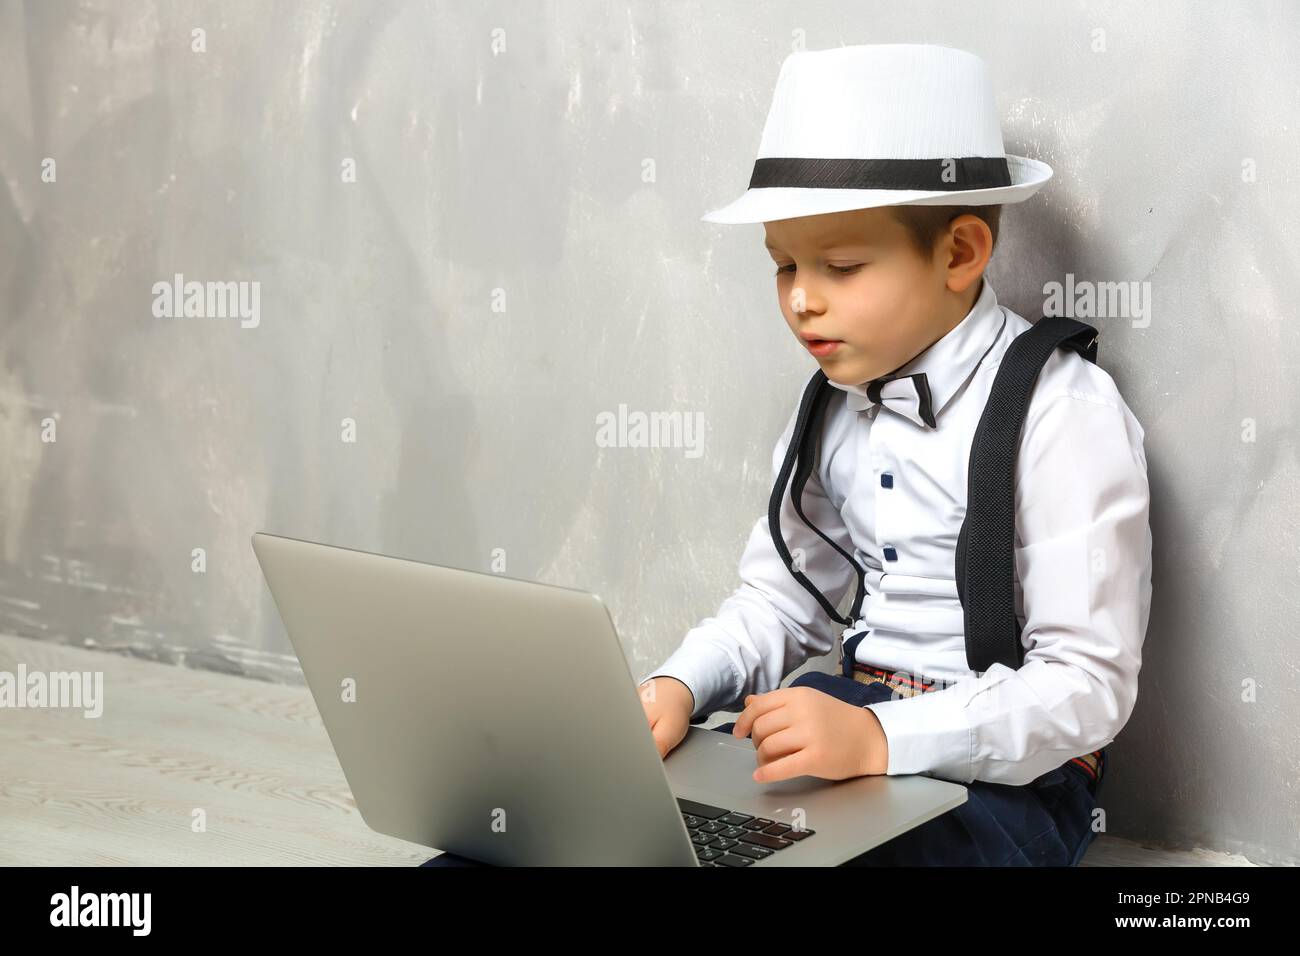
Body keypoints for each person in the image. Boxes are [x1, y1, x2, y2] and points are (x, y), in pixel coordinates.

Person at [425, 43, 1151, 868]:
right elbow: (777, 605)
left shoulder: (1064, 413)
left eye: (840, 267)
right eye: (784, 265)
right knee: (556, 829)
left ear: (959, 253)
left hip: (1007, 784)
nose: (803, 299)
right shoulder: (833, 407)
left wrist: (878, 736)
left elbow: (1086, 686)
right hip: (844, 726)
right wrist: (676, 686)